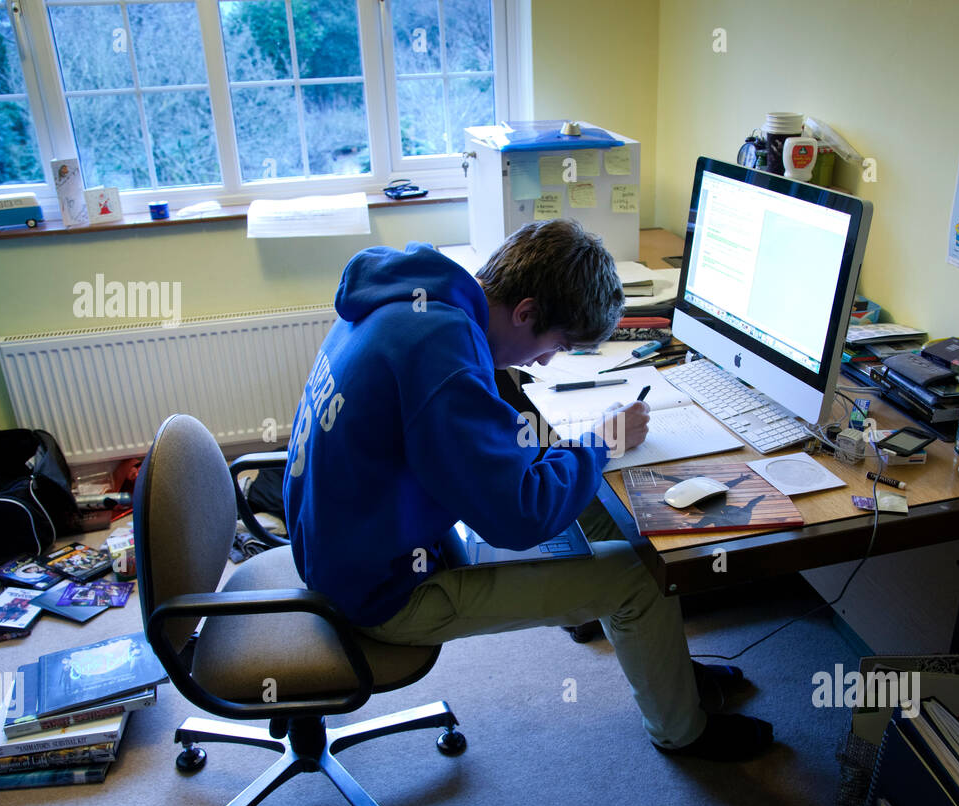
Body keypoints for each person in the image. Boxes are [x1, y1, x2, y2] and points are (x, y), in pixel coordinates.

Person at [283, 219, 773, 761]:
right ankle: (684, 734)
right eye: (555, 344)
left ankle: (671, 672)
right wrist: (602, 444)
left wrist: (581, 451)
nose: (545, 362)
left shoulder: (412, 299)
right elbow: (519, 517)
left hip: (348, 538)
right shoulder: (441, 355)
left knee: (602, 509)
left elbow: (468, 447)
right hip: (381, 591)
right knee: (639, 578)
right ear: (526, 312)